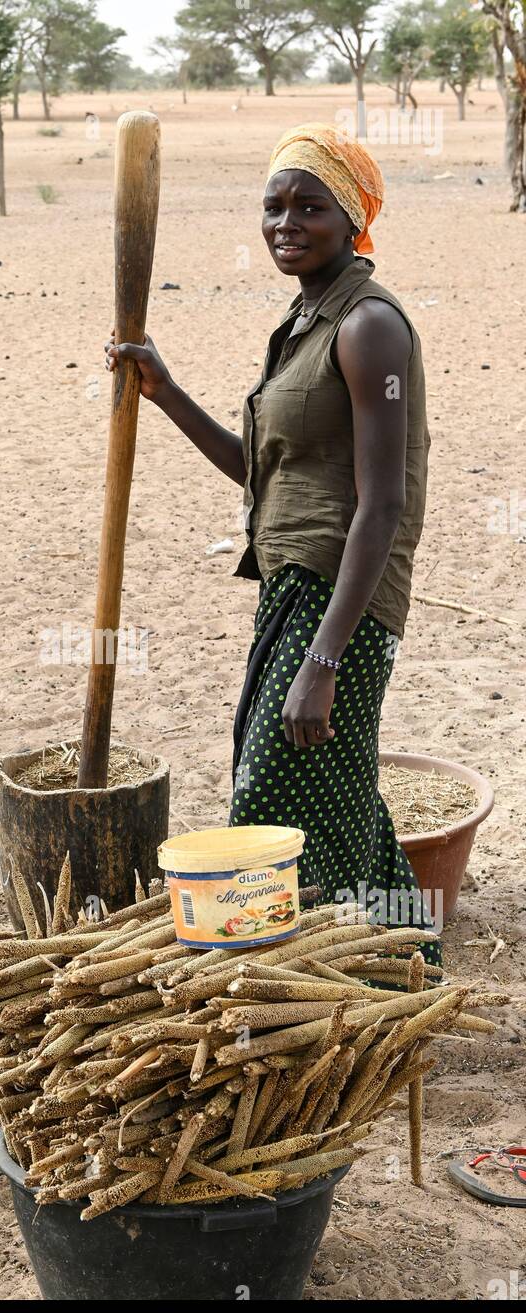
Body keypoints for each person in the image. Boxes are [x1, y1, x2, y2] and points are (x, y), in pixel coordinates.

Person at [106, 122, 441, 966]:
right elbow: (261, 477)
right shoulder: (304, 320)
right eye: (273, 206)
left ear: (352, 216)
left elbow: (385, 500)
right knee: (338, 795)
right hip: (291, 588)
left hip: (345, 600)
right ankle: (408, 966)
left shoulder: (369, 328)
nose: (286, 223)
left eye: (309, 207)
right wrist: (167, 392)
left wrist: (323, 663)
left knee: (271, 792)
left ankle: (315, 978)